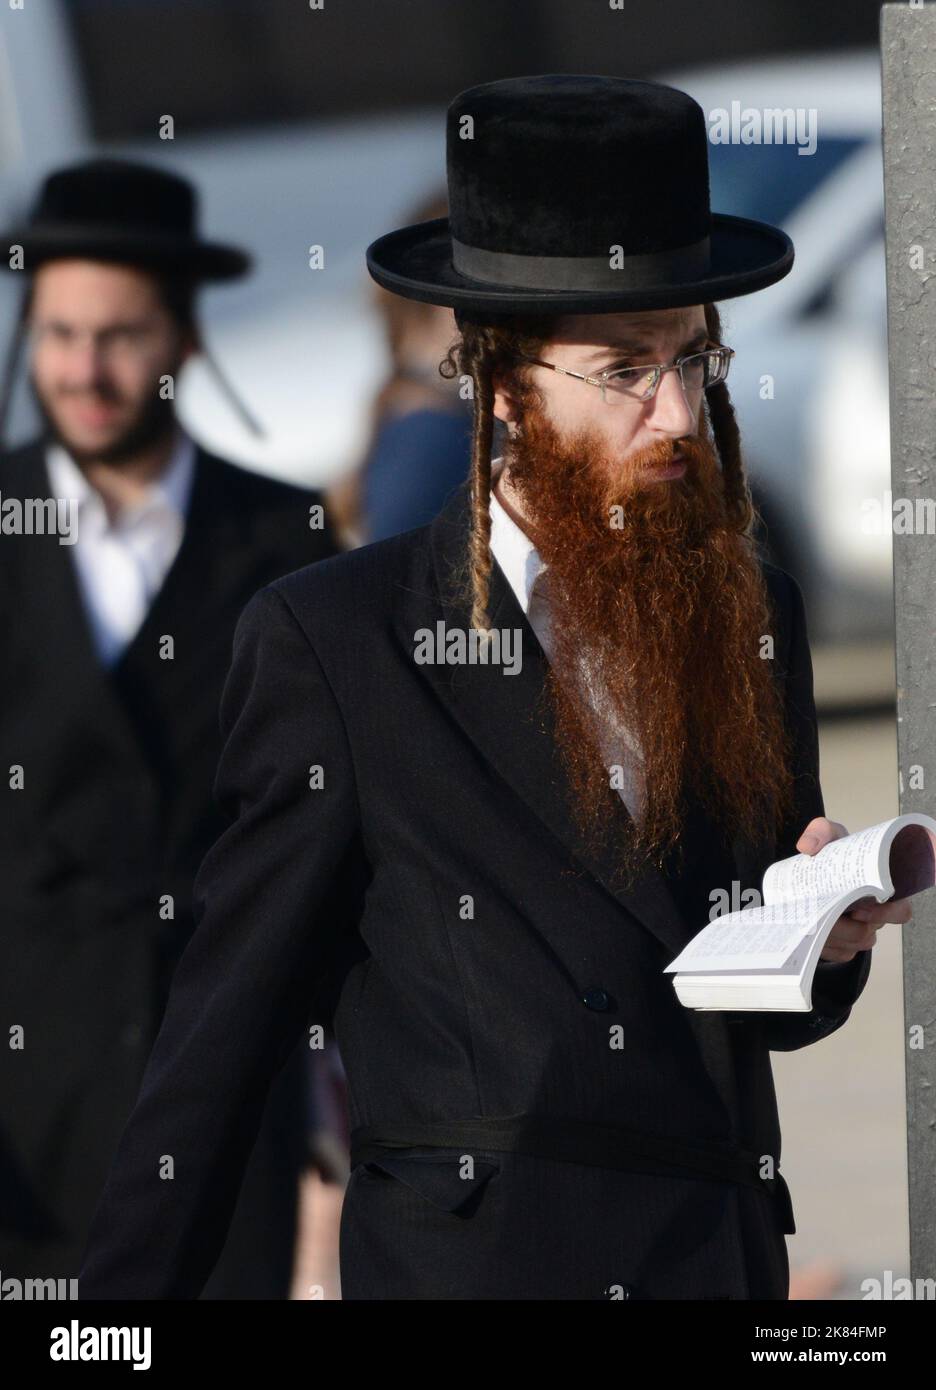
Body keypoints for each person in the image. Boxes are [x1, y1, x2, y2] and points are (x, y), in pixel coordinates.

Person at [77, 77, 909, 1302]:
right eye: (625, 369)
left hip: (715, 1268)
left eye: (695, 357)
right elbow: (226, 1030)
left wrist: (823, 949)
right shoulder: (339, 642)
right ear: (506, 385)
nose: (677, 412)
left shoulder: (750, 609)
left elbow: (749, 1009)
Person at [0, 157, 338, 1298]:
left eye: (120, 335)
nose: (85, 371)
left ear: (187, 340)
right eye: (57, 334)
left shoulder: (286, 544)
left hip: (220, 1107)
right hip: (22, 1117)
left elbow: (333, 840)